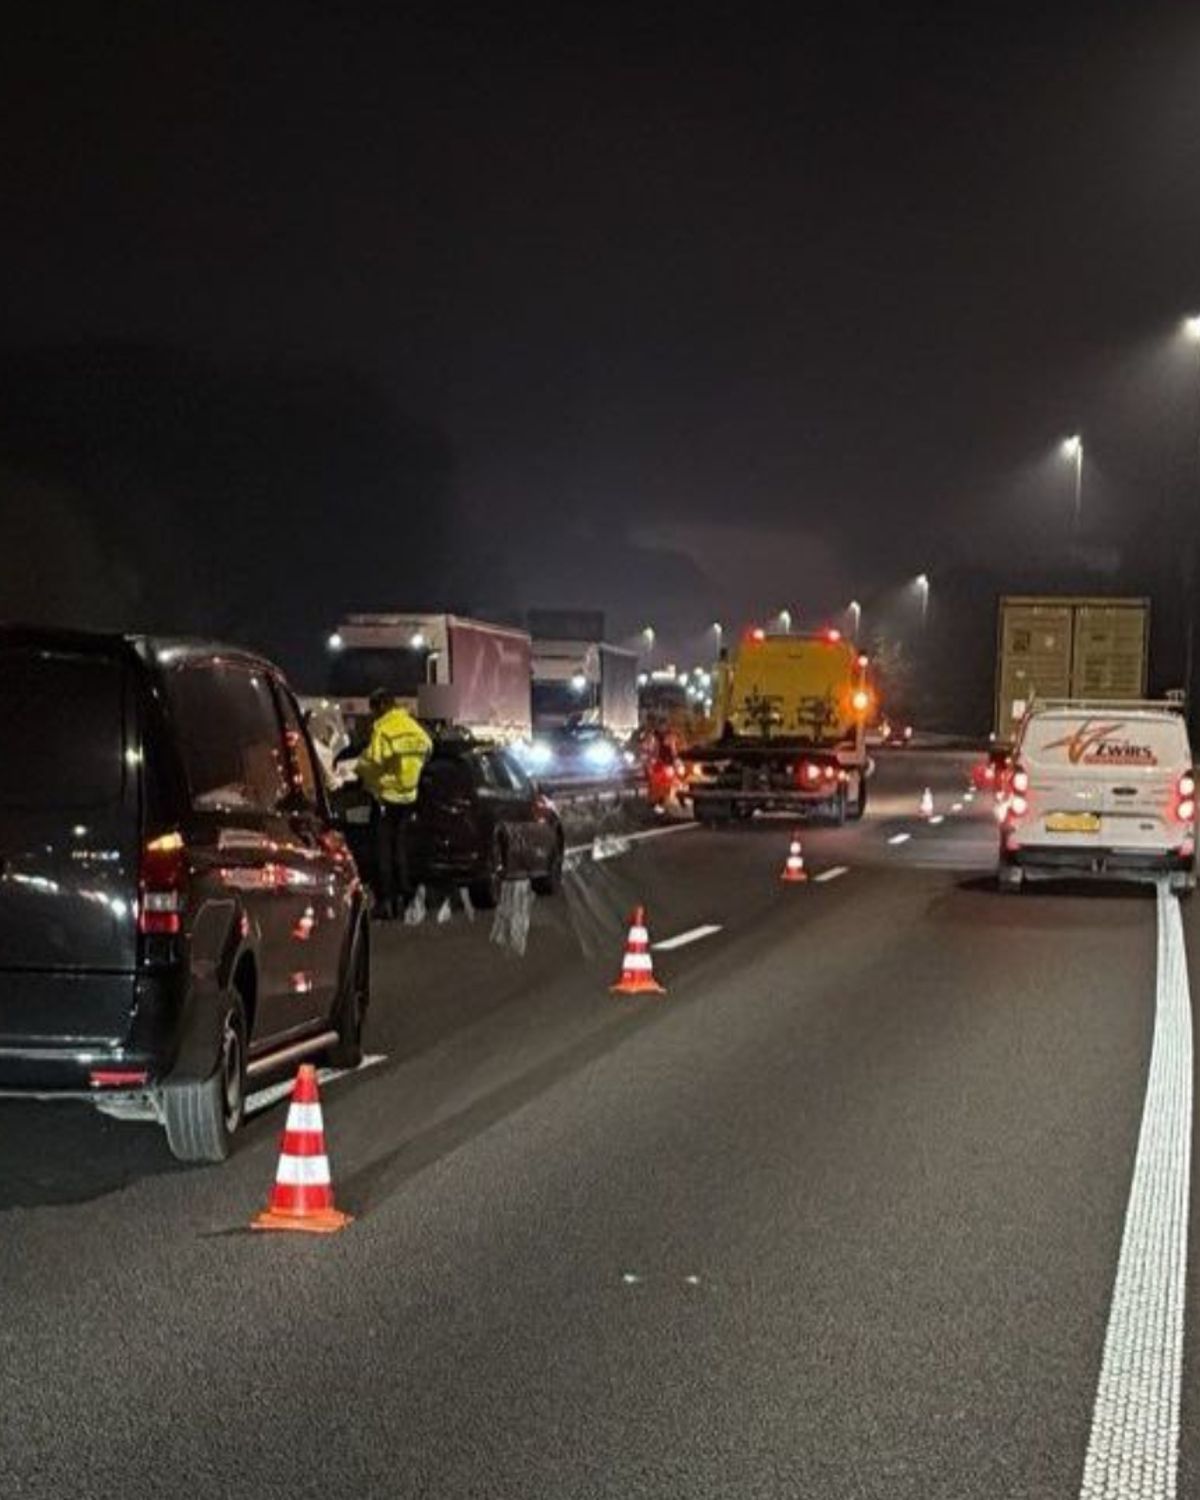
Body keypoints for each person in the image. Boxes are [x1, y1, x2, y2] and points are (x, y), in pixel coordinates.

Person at [357, 689, 432, 919]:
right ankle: (404, 895)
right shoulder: (411, 726)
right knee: (400, 846)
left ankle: (385, 899)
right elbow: (428, 748)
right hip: (408, 795)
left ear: (379, 707)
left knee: (382, 850)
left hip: (385, 796)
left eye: (373, 710)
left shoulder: (383, 728)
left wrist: (359, 767)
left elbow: (373, 760)